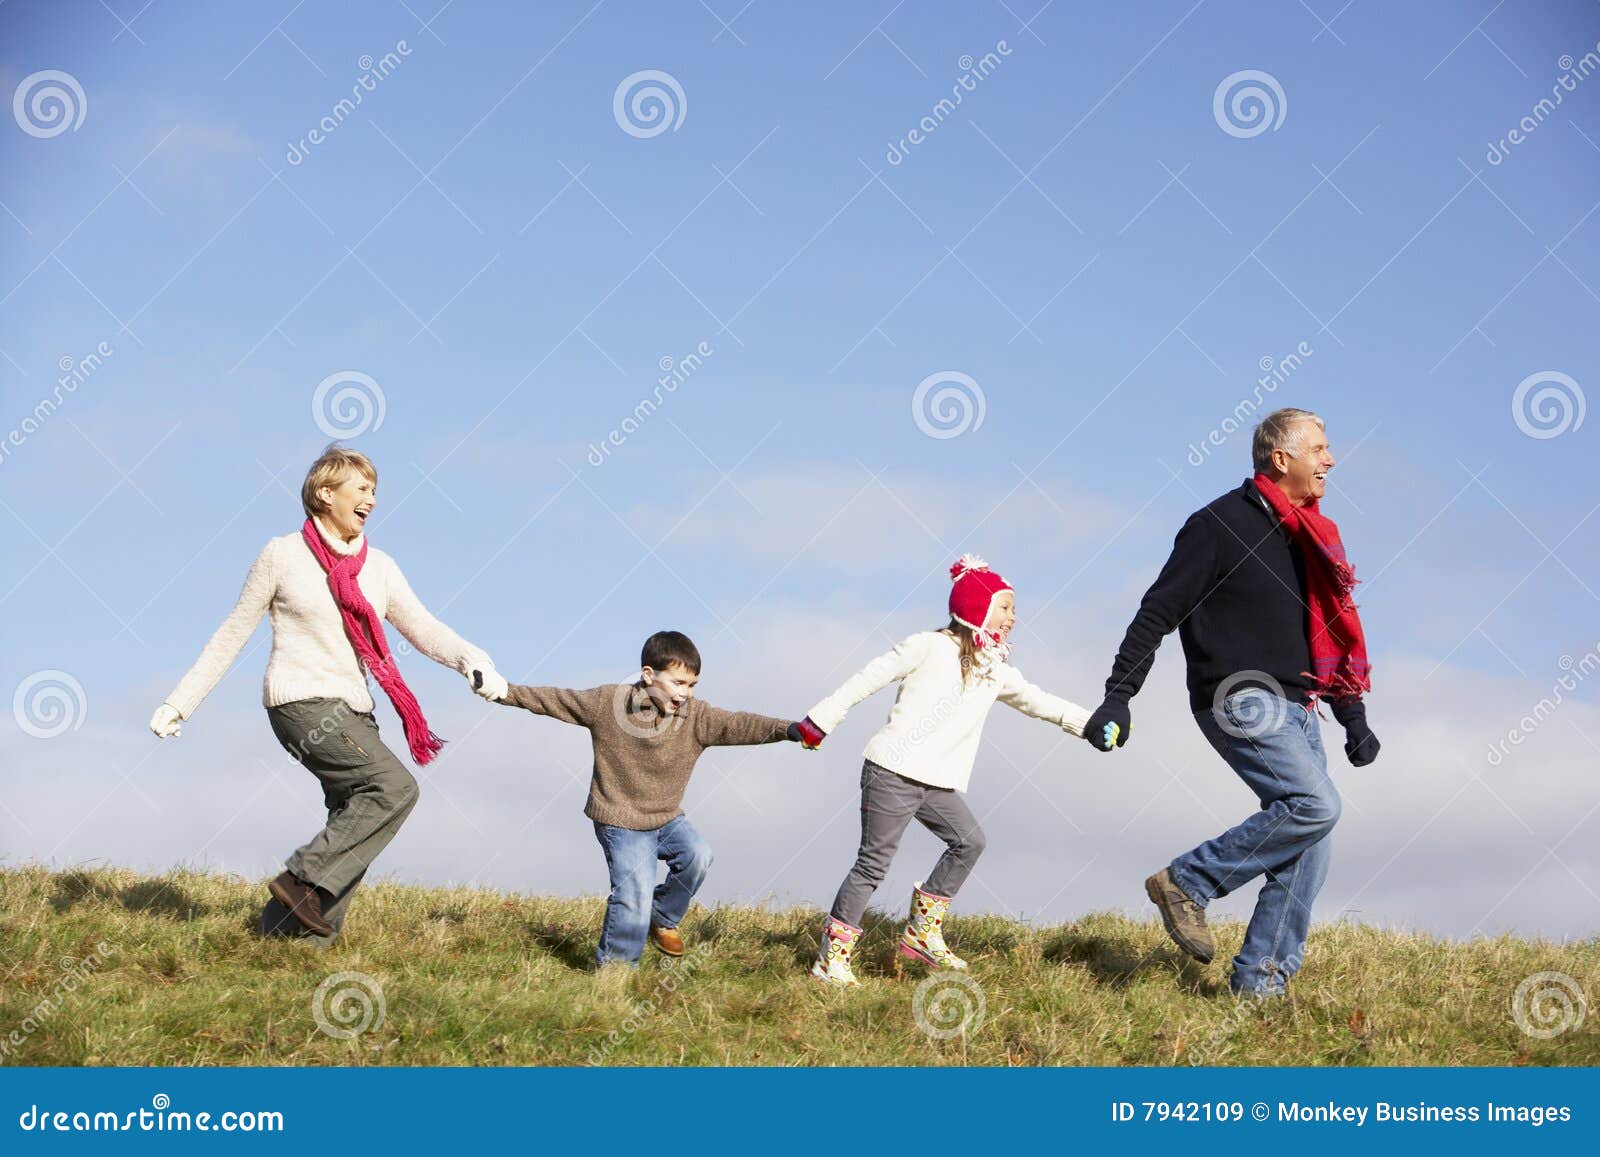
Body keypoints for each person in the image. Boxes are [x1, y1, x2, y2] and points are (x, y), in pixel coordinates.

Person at [148, 444, 506, 943]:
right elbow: (233, 633)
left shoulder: (378, 566)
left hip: (357, 711)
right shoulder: (282, 555)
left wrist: (473, 660)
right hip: (300, 704)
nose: (373, 500)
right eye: (362, 488)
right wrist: (179, 702)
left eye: (375, 491)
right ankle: (299, 879)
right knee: (394, 789)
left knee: (352, 819)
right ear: (325, 493)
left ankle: (290, 941)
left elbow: (422, 625)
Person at [1082, 408, 1380, 997]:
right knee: (1314, 805)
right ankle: (1187, 882)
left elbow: (1324, 633)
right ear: (1281, 458)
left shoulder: (1311, 538)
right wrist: (1118, 697)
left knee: (1308, 841)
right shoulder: (1218, 524)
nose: (1330, 459)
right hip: (1241, 696)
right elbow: (1156, 612)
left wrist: (1353, 716)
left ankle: (1259, 988)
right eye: (1319, 448)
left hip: (1301, 706)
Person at [796, 555, 1104, 987]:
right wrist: (822, 718)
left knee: (969, 842)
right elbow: (867, 678)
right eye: (1005, 607)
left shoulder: (992, 668)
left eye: (1013, 609)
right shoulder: (927, 646)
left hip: (935, 783)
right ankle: (831, 961)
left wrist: (1090, 725)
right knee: (873, 864)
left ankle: (922, 933)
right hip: (891, 771)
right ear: (977, 606)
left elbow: (1039, 701)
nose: (1013, 617)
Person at [491, 629, 805, 970]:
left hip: (666, 817)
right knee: (633, 895)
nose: (685, 693)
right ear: (648, 675)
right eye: (678, 683)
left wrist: (790, 730)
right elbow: (555, 699)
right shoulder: (608, 703)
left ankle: (662, 916)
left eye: (692, 685)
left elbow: (740, 724)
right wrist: (503, 691)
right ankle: (617, 970)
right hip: (620, 819)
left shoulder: (696, 718)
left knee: (698, 855)